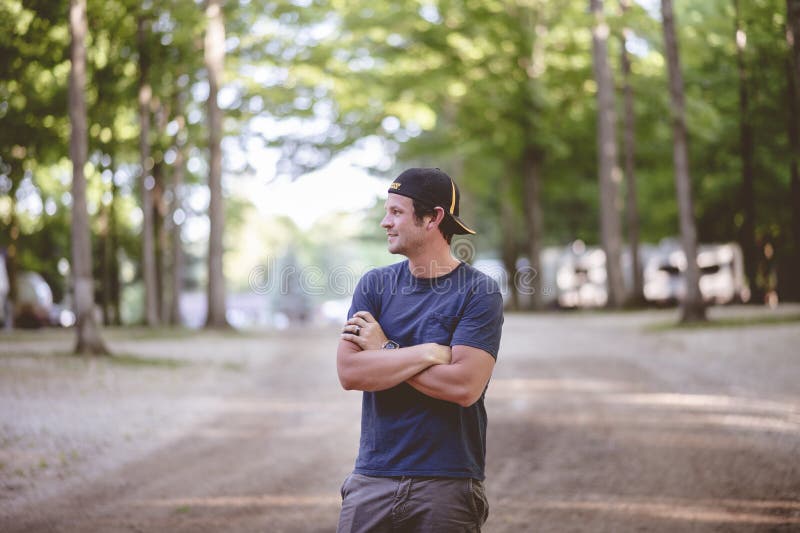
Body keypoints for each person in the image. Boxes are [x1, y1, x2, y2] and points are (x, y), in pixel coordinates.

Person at [336, 167, 504, 532]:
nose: (385, 222)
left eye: (396, 212)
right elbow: (350, 373)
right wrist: (430, 351)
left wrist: (383, 350)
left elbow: (463, 387)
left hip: (448, 483)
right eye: (386, 211)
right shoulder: (374, 286)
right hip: (372, 479)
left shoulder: (479, 292)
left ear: (433, 218)